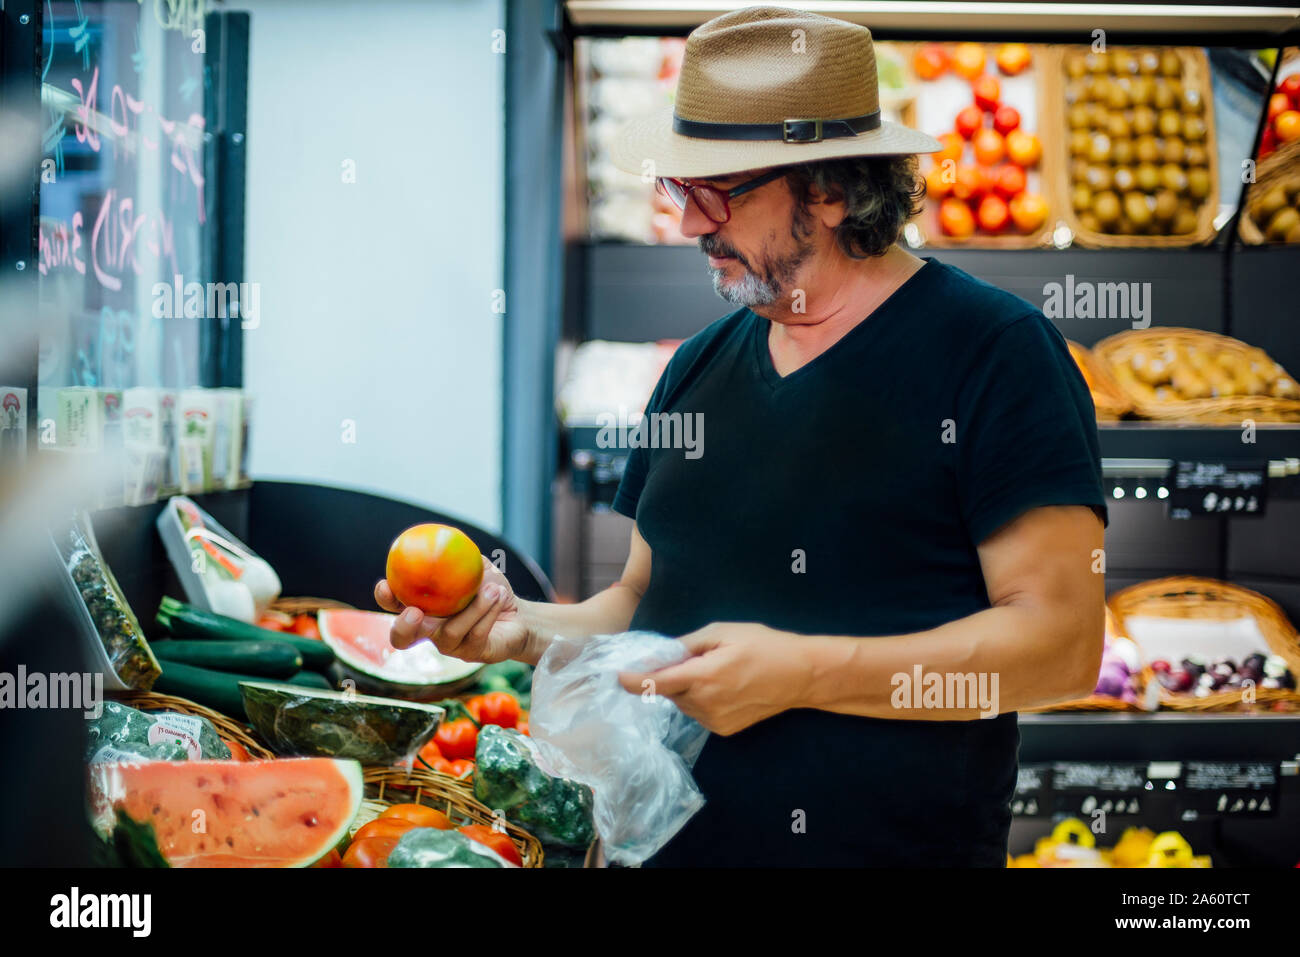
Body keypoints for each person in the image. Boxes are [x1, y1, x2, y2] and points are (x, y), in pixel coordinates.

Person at [377, 6, 1107, 866]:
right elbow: (640, 607)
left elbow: (1060, 647)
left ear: (830, 189)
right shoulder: (696, 366)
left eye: (714, 190)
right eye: (677, 191)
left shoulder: (995, 353)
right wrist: (522, 630)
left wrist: (805, 671)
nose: (689, 223)